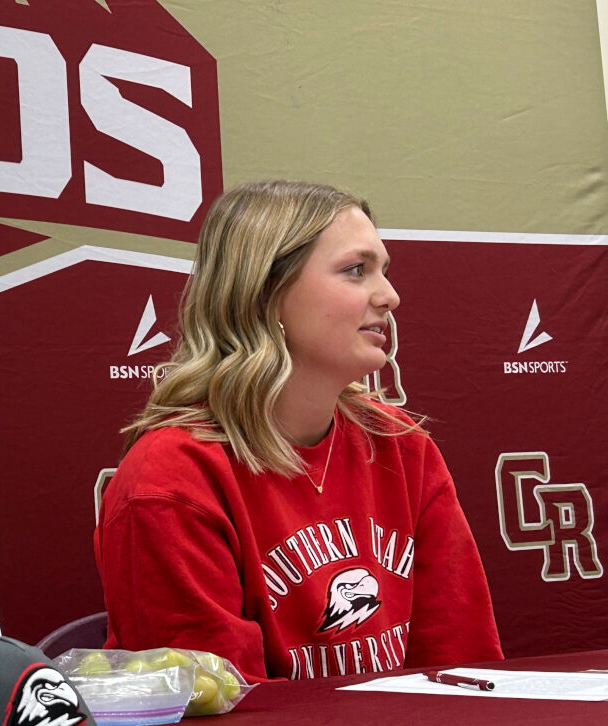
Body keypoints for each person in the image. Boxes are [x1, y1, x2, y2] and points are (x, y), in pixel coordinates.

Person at [96, 180, 503, 682]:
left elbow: (463, 670)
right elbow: (218, 707)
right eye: (357, 270)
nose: (390, 296)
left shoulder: (402, 446)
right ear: (267, 294)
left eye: (384, 271)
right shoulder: (172, 479)